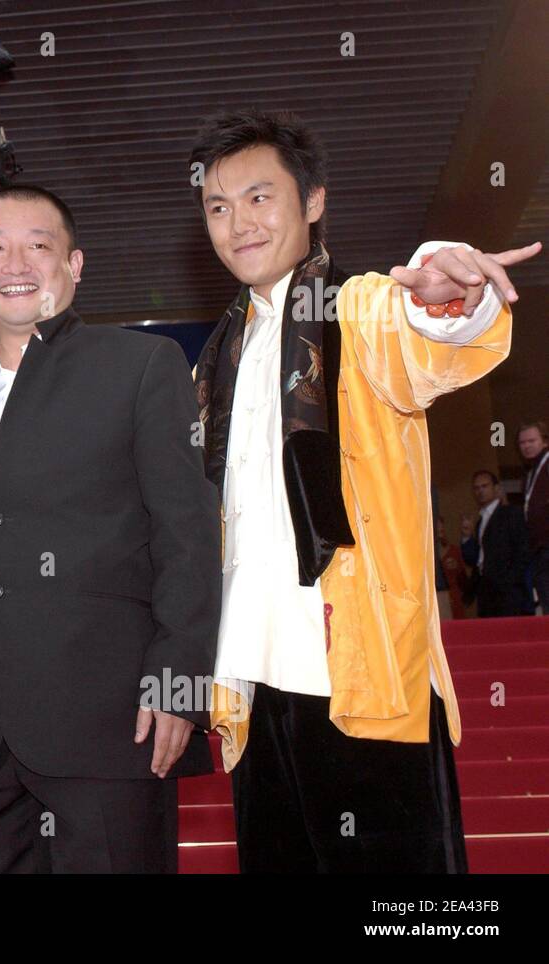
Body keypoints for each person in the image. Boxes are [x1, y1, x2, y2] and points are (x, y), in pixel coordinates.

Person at [190, 107, 540, 872]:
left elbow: (427, 331)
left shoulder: (356, 307)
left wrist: (449, 298)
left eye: (259, 197)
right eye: (217, 206)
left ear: (313, 201)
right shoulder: (214, 360)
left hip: (361, 679)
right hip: (250, 686)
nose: (237, 222)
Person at [0, 185, 221, 873]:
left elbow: (188, 532)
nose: (15, 262)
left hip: (111, 722)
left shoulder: (141, 367)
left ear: (76, 265)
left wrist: (178, 683)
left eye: (39, 245)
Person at [461, 470, 531, 617]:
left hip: (507, 590)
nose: (480, 491)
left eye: (484, 486)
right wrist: (467, 537)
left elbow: (522, 550)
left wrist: (511, 581)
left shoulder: (511, 514)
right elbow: (475, 559)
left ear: (496, 488)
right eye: (476, 488)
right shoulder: (481, 521)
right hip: (485, 589)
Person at [518, 421, 548, 613]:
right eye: (522, 443)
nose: (527, 446)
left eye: (532, 440)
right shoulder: (530, 473)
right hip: (539, 548)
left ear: (544, 441)